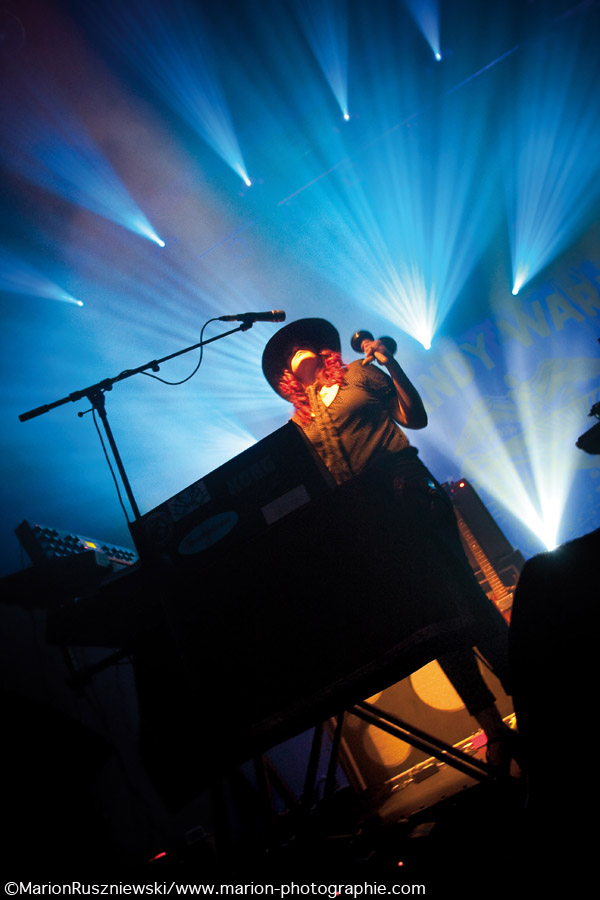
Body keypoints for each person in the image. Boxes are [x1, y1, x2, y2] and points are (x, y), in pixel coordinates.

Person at [261, 317, 521, 774]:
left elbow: (413, 417)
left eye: (304, 347)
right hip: (371, 516)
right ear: (285, 377)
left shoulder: (360, 376)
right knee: (434, 622)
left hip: (408, 488)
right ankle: (493, 727)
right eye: (289, 356)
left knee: (465, 596)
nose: (297, 355)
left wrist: (392, 365)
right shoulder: (300, 423)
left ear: (324, 352)